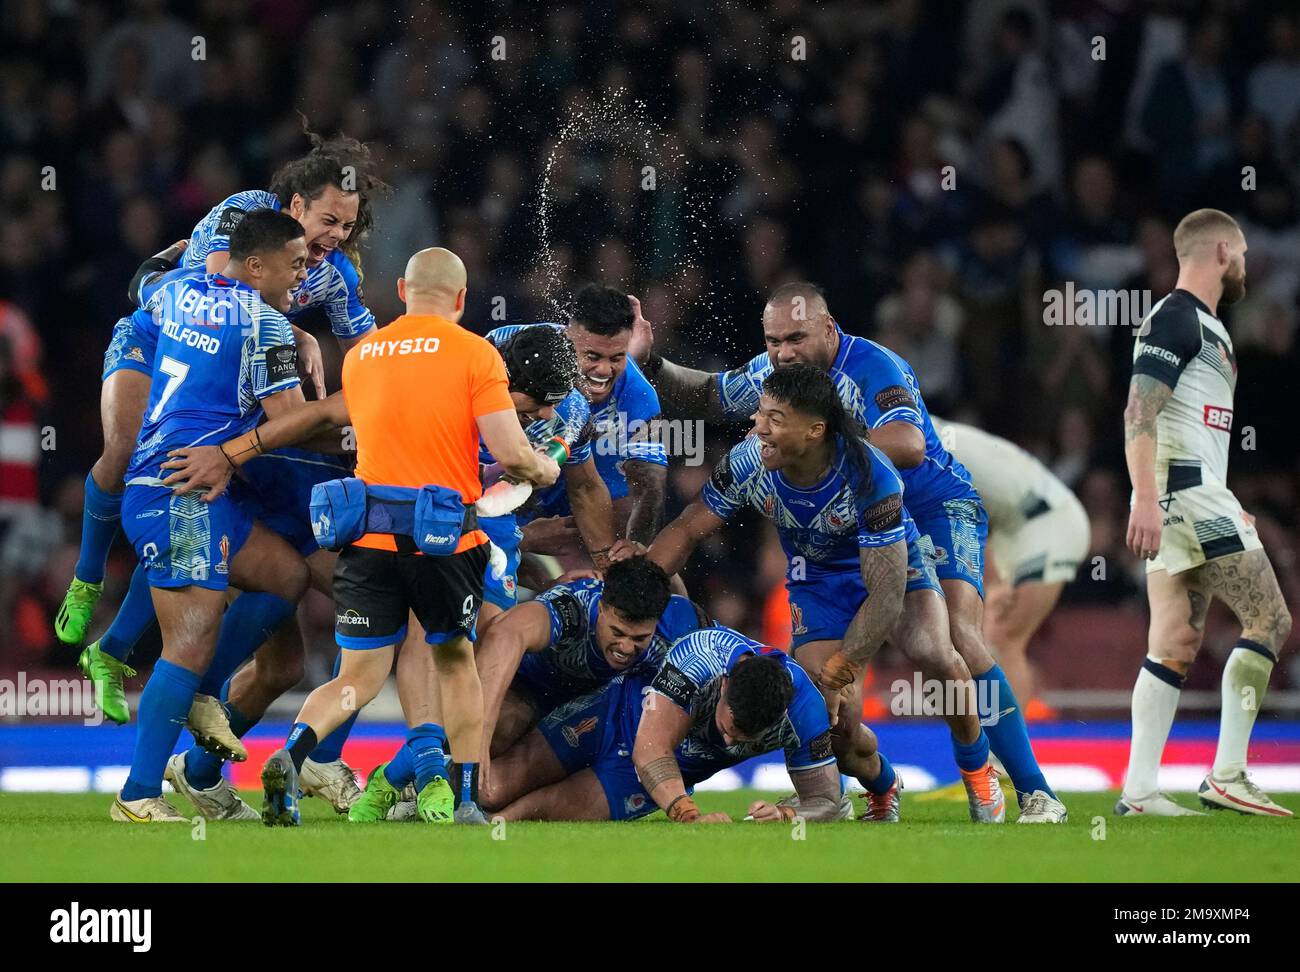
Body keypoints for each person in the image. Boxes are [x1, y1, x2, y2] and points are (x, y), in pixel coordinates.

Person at [631, 282, 1066, 822]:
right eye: (773, 341)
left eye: (796, 338)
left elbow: (907, 446)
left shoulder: (872, 369)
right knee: (827, 700)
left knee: (956, 641)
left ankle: (1031, 789)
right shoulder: (780, 391)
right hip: (829, 546)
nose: (784, 352)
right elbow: (712, 396)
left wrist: (821, 450)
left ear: (830, 328)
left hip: (926, 505)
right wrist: (650, 360)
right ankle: (862, 789)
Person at [163, 247, 560, 826]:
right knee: (454, 663)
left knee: (356, 678)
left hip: (366, 534)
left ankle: (292, 756)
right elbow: (508, 452)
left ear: (401, 289)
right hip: (442, 538)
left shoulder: (365, 356)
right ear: (461, 298)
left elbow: (337, 422)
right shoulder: (476, 354)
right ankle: (467, 800)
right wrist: (542, 468)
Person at [56, 129, 386, 652]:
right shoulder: (245, 214)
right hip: (160, 337)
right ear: (297, 204)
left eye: (347, 226)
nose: (337, 236)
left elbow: (370, 355)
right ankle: (86, 579)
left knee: (193, 489)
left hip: (228, 376)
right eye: (328, 221)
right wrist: (299, 334)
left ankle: (119, 649)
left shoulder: (335, 274)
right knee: (122, 451)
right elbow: (214, 297)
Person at [111, 210, 315, 823]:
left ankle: (202, 695)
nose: (303, 277)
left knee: (286, 575)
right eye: (296, 263)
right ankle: (139, 797)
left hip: (192, 486)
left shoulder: (175, 291)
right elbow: (290, 422)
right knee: (191, 639)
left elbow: (142, 282)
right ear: (257, 266)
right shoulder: (264, 321)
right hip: (181, 488)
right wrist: (351, 413)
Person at [1118, 208, 1292, 818]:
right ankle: (1228, 773)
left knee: (1174, 642)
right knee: (1270, 619)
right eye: (1241, 252)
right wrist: (1144, 498)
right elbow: (1138, 414)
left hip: (1182, 495)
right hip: (1187, 495)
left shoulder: (1206, 325)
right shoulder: (1175, 316)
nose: (1245, 263)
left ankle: (1139, 791)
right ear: (1222, 250)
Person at [349, 556, 707, 822]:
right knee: (498, 732)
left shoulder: (683, 627)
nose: (626, 648)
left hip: (591, 711)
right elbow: (508, 632)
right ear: (602, 606)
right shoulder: (573, 606)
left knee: (494, 795)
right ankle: (395, 780)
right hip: (530, 691)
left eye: (639, 638)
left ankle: (439, 786)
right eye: (617, 633)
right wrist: (480, 730)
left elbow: (727, 658)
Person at [487, 625, 842, 824]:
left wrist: (783, 814)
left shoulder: (806, 713)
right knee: (493, 790)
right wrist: (688, 815)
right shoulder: (700, 656)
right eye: (728, 729)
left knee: (529, 815)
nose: (731, 744)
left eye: (744, 739)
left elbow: (826, 800)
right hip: (616, 714)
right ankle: (435, 783)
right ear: (724, 687)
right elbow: (652, 747)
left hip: (668, 773)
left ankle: (487, 832)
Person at [492, 285, 668, 579]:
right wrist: (520, 537)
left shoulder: (636, 396)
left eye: (616, 359)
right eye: (592, 356)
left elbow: (649, 482)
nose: (603, 371)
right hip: (487, 481)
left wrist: (630, 547)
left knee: (641, 549)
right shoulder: (500, 350)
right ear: (565, 341)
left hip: (573, 478)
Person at [932, 417, 1090, 711]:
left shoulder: (923, 452)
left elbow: (969, 517)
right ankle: (1001, 735)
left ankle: (1008, 751)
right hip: (1012, 524)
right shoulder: (920, 430)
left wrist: (993, 586)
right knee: (986, 635)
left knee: (1002, 637)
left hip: (1049, 521)